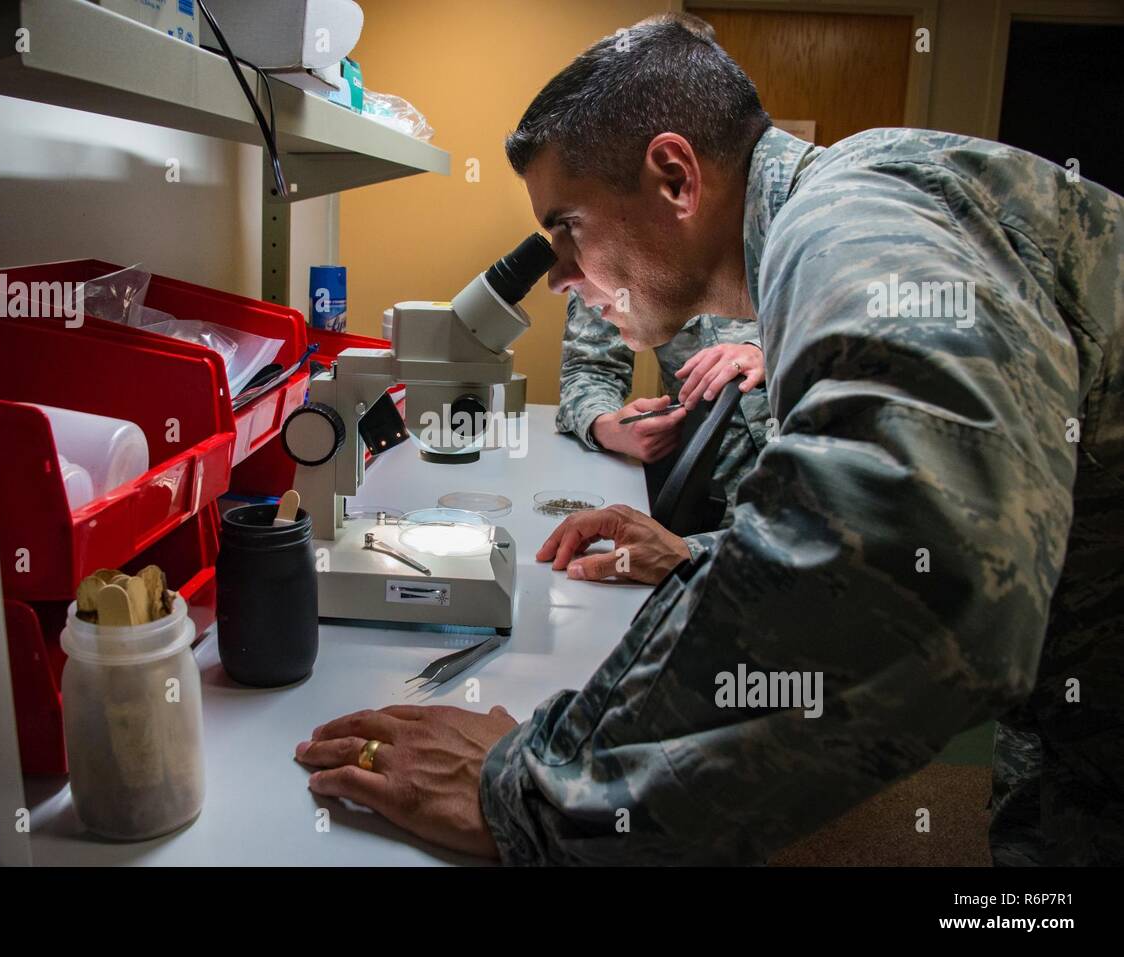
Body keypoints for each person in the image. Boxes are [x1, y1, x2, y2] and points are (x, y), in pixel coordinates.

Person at [295, 13, 1123, 865]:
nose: (560, 275)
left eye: (567, 227)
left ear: (675, 178)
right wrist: (708, 556)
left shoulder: (845, 222)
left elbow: (929, 561)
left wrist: (541, 789)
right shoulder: (854, 200)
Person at [556, 291, 769, 554]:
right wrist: (609, 428)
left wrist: (768, 348)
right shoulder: (599, 259)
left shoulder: (782, 251)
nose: (558, 282)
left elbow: (831, 313)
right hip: (713, 510)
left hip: (815, 477)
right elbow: (590, 368)